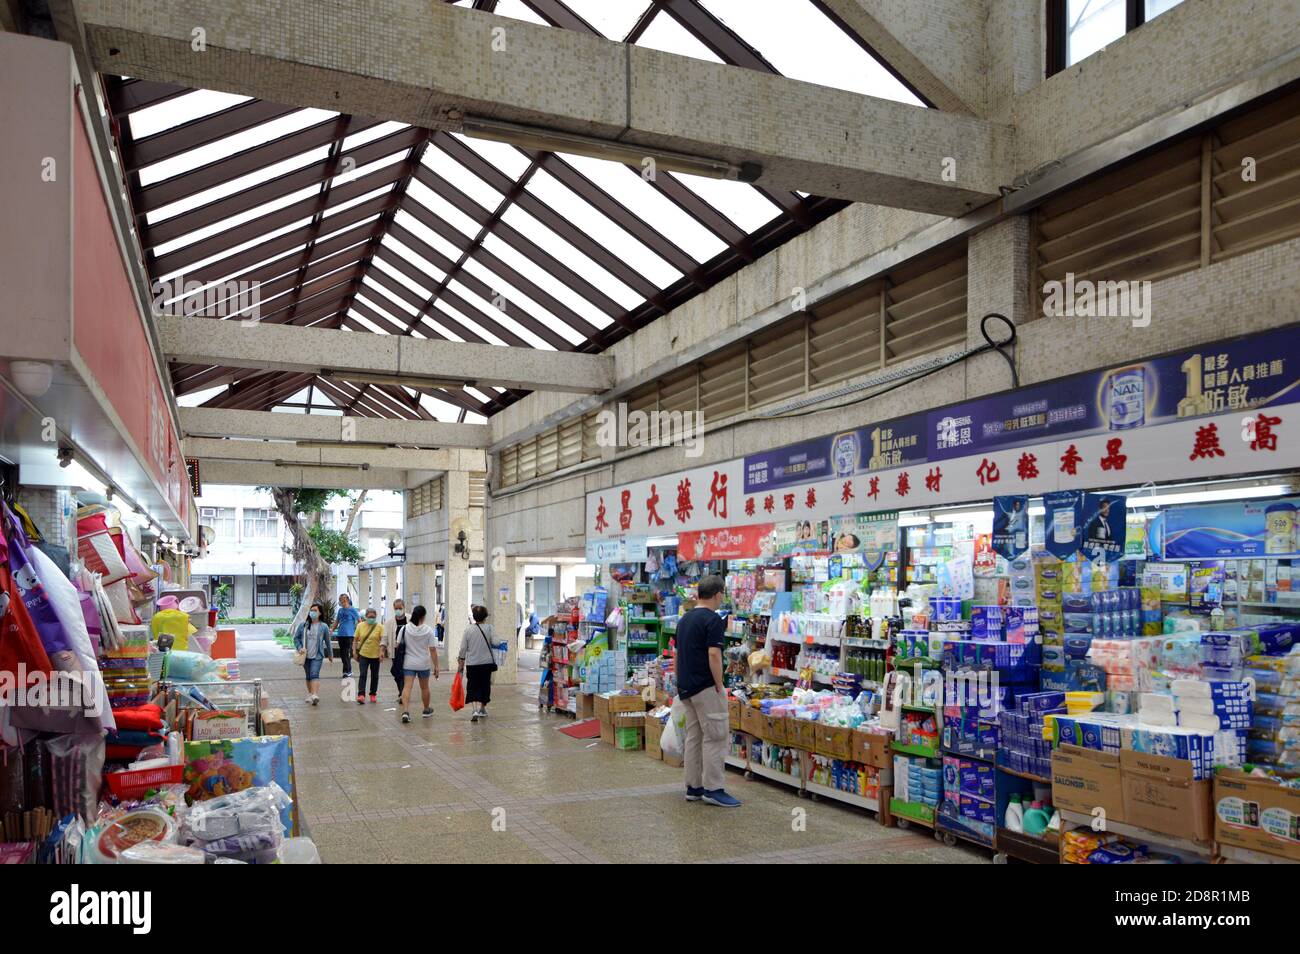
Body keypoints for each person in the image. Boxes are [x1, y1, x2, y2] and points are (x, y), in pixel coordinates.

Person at [674, 575, 739, 807]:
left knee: (694, 737)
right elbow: (714, 654)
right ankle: (714, 789)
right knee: (716, 737)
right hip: (705, 687)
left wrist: (679, 680)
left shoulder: (685, 619)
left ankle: (693, 787)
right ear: (718, 594)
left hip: (686, 687)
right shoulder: (713, 620)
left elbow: (677, 654)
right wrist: (719, 684)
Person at [458, 605, 502, 723]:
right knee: (485, 686)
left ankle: (474, 710)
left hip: (472, 664)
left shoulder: (468, 630)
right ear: (485, 617)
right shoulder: (490, 628)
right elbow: (497, 642)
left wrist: (461, 661)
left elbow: (463, 648)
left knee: (472, 686)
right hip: (486, 663)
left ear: (474, 617)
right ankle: (482, 709)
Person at [397, 604, 440, 724]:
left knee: (407, 687)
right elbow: (432, 650)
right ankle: (426, 710)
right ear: (423, 617)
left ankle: (405, 712)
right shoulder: (428, 630)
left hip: (408, 663)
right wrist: (436, 666)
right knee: (424, 687)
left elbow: (397, 645)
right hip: (423, 663)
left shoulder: (404, 628)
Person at [293, 602, 333, 706]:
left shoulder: (323, 626)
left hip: (317, 655)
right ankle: (310, 693)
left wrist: (330, 655)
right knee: (308, 676)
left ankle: (315, 694)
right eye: (311, 610)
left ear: (320, 613)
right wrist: (299, 648)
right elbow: (296, 638)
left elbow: (327, 642)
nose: (312, 612)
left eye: (315, 610)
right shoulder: (303, 625)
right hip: (305, 655)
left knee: (314, 674)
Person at [352, 607, 384, 704]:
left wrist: (382, 652)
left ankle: (373, 694)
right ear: (365, 616)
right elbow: (355, 640)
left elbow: (383, 641)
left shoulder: (380, 627)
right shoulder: (360, 626)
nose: (371, 619)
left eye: (373, 617)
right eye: (369, 617)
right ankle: (361, 695)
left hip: (375, 655)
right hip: (363, 654)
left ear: (376, 617)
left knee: (375, 676)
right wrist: (354, 652)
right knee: (363, 674)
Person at [332, 593, 360, 679]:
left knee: (347, 653)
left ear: (347, 600)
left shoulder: (352, 610)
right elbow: (337, 621)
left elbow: (359, 621)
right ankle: (347, 671)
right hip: (341, 634)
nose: (342, 602)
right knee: (342, 654)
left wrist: (360, 632)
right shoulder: (340, 610)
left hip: (349, 634)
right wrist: (332, 629)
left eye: (344, 600)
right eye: (341, 600)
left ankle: (347, 671)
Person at [385, 598, 407, 698]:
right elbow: (385, 637)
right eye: (396, 608)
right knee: (396, 671)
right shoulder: (389, 622)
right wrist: (382, 650)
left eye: (400, 608)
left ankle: (403, 692)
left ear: (404, 607)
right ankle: (401, 690)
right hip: (395, 651)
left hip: (408, 651)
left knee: (404, 672)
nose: (398, 610)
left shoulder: (410, 619)